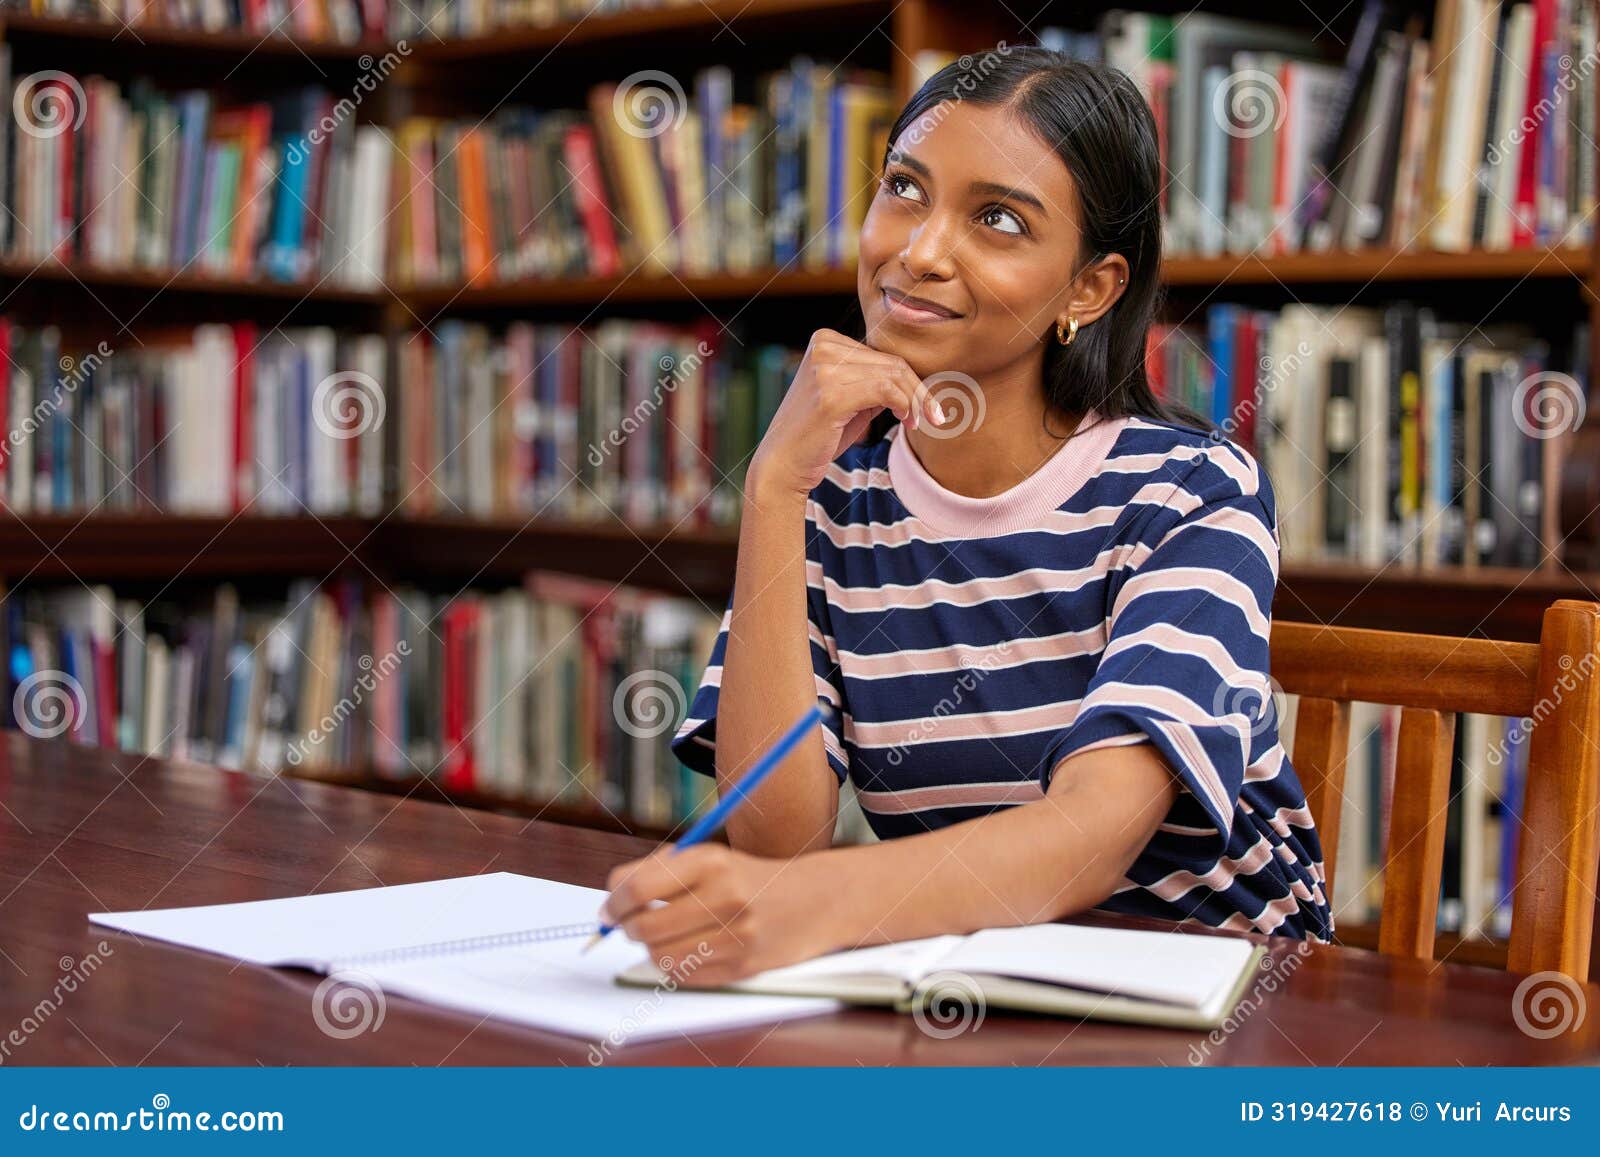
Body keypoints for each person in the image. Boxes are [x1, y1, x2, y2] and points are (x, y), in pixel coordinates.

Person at [600, 47, 1331, 988]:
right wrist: (773, 495)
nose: (920, 250)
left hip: (1217, 999)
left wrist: (808, 908)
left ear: (1089, 290)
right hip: (962, 985)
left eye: (997, 219)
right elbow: (778, 838)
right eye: (904, 187)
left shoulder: (1191, 494)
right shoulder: (835, 499)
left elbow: (1093, 835)